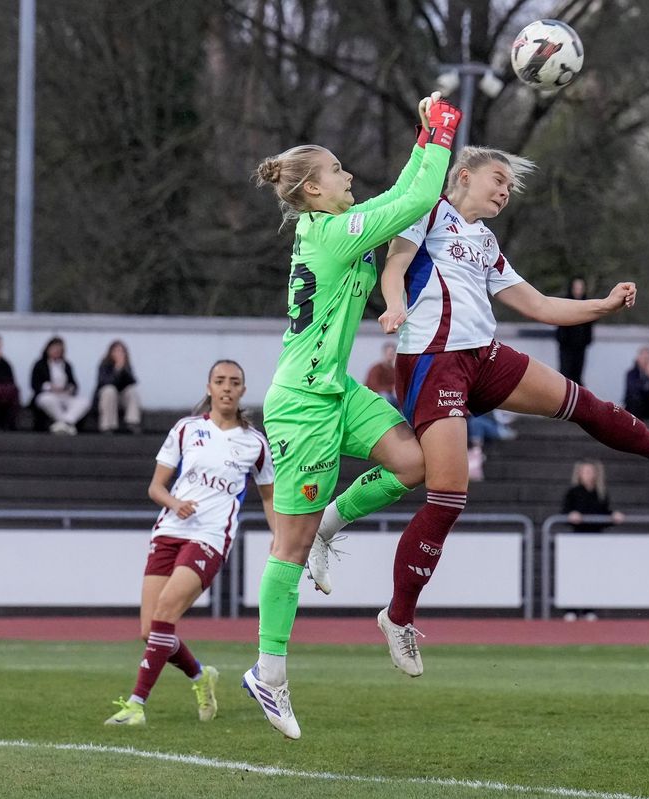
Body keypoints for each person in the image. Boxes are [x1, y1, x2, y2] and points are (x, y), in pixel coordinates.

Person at [312, 145, 649, 682]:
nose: (505, 191)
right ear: (464, 176)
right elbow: (394, 266)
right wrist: (394, 304)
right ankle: (398, 616)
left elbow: (539, 305)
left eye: (510, 186)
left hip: (484, 357)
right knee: (448, 495)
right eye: (499, 180)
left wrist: (601, 305)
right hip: (434, 362)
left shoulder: (485, 241)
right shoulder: (427, 212)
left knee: (582, 403)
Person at [242, 92, 463, 740]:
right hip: (303, 404)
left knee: (414, 464)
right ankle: (268, 672)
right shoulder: (335, 233)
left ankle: (331, 526)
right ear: (312, 190)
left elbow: (400, 194)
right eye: (337, 170)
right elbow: (414, 202)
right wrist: (442, 134)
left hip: (335, 387)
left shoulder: (337, 224)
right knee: (288, 543)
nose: (348, 176)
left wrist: (423, 139)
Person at [104, 360, 275, 727]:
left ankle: (136, 705)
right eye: (220, 381)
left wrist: (281, 541)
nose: (227, 387)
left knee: (165, 612)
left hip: (211, 537)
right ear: (209, 388)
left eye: (234, 382)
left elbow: (269, 497)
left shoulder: (255, 443)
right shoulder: (187, 429)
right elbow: (156, 487)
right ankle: (201, 676)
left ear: (243, 391)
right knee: (150, 631)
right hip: (169, 530)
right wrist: (174, 502)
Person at [560, 459, 624, 622]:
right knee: (575, 574)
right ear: (579, 474)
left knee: (592, 574)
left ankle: (589, 608)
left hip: (595, 540)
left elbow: (603, 514)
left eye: (590, 472)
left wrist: (613, 517)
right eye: (585, 472)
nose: (588, 475)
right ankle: (571, 609)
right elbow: (565, 512)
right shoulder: (573, 492)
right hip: (578, 538)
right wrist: (571, 515)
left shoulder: (600, 493)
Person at [30, 336, 91, 435]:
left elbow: (74, 384)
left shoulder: (66, 365)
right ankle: (65, 423)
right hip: (49, 395)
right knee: (45, 399)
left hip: (65, 395)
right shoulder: (40, 364)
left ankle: (65, 422)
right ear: (48, 349)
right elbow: (35, 384)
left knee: (84, 401)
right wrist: (50, 387)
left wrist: (69, 388)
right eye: (54, 349)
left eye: (59, 350)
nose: (57, 352)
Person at [96, 339, 143, 433]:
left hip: (121, 398)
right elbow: (105, 382)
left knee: (132, 391)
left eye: (121, 351)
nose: (119, 354)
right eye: (116, 351)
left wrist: (123, 370)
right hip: (107, 397)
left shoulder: (127, 366)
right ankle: (108, 425)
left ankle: (132, 422)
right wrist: (117, 369)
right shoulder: (104, 365)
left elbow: (132, 382)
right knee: (110, 390)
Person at [555, 277, 595, 386]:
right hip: (566, 346)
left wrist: (586, 340)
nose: (578, 291)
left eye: (580, 288)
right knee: (565, 376)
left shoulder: (587, 304)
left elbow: (589, 326)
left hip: (580, 347)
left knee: (577, 375)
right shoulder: (565, 303)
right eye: (576, 288)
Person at [0, 335, 19, 431]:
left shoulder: (5, 363)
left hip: (3, 391)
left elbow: (11, 380)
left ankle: (11, 422)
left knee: (14, 390)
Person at [365, 342, 399, 408]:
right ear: (384, 353)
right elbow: (373, 387)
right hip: (375, 397)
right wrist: (391, 388)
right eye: (389, 353)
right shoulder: (376, 369)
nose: (391, 355)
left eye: (393, 354)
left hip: (390, 397)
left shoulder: (393, 371)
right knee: (385, 396)